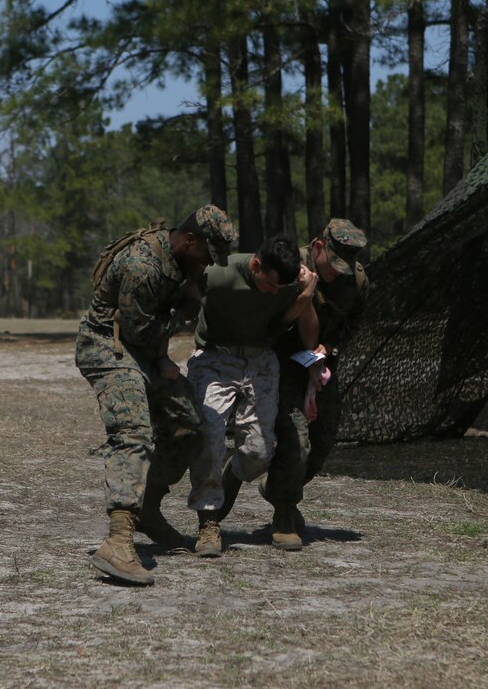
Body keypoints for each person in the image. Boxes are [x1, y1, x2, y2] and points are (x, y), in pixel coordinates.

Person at [76, 204, 238, 586]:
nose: (208, 263)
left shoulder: (184, 261)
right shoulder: (143, 265)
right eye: (206, 254)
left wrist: (168, 346)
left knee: (190, 427)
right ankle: (118, 541)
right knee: (133, 432)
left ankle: (148, 507)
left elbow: (158, 323)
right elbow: (138, 331)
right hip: (109, 347)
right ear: (189, 240)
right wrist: (187, 311)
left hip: (145, 351)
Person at [186, 235, 318, 558]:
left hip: (260, 360)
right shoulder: (221, 274)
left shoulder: (292, 283)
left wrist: (306, 295)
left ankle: (233, 472)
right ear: (257, 265)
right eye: (270, 285)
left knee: (260, 453)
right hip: (216, 357)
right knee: (209, 439)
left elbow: (303, 330)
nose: (274, 292)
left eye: (279, 288)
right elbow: (185, 290)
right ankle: (208, 521)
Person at [261, 218, 369, 550]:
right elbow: (265, 323)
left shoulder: (357, 281)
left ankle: (278, 486)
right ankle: (284, 512)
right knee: (297, 440)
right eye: (333, 264)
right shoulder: (288, 267)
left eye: (344, 266)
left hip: (321, 366)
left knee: (323, 439)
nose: (338, 272)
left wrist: (329, 347)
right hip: (282, 364)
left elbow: (353, 323)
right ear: (318, 247)